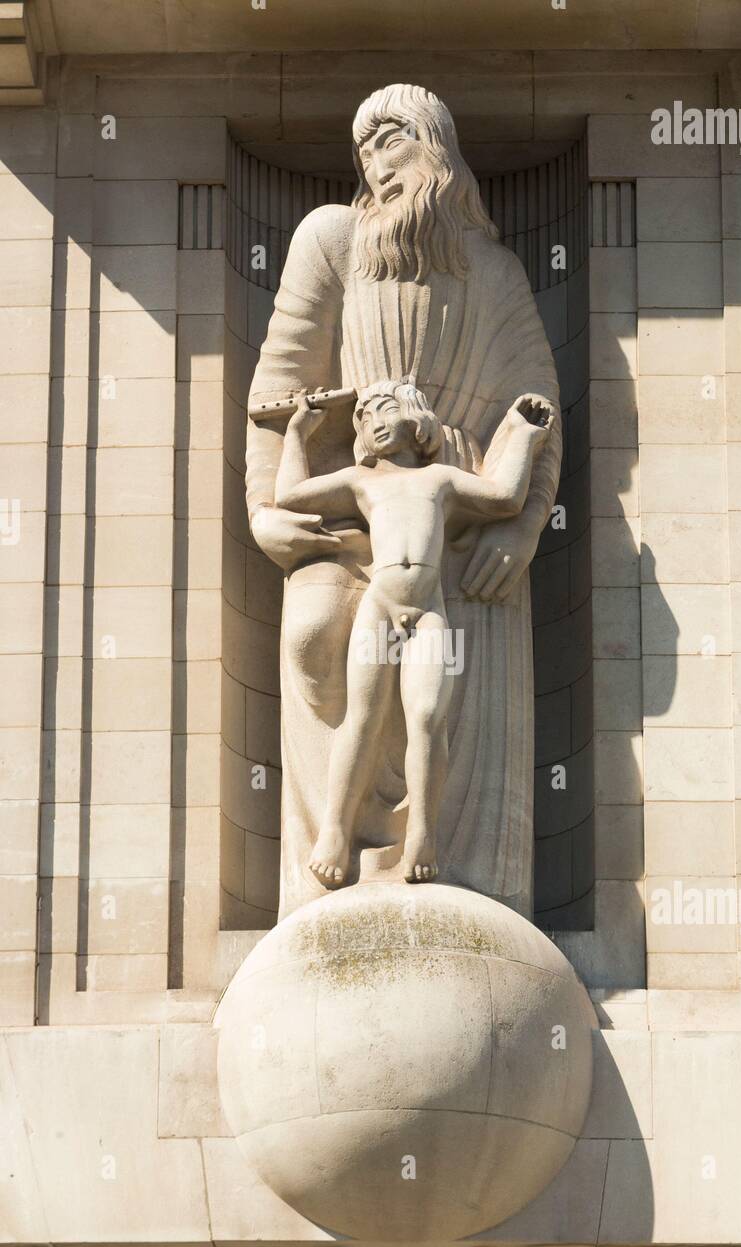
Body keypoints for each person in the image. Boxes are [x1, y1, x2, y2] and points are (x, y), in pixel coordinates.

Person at [246, 84, 562, 918]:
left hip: (462, 527)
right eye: (361, 150)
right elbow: (278, 384)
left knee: (434, 710)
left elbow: (539, 405)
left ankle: (447, 870)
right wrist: (266, 511)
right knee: (316, 634)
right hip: (353, 517)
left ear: (433, 145)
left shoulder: (497, 272)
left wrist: (526, 526)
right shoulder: (333, 240)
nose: (373, 163)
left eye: (387, 140)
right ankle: (333, 861)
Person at [275, 382, 555, 887]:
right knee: (363, 717)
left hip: (428, 610)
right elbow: (289, 496)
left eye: (384, 409)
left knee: (427, 716)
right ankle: (335, 832)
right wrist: (298, 430)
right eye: (362, 417)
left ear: (414, 415)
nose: (373, 422)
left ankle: (423, 833)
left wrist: (521, 433)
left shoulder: (441, 480)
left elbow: (506, 498)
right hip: (380, 604)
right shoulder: (362, 482)